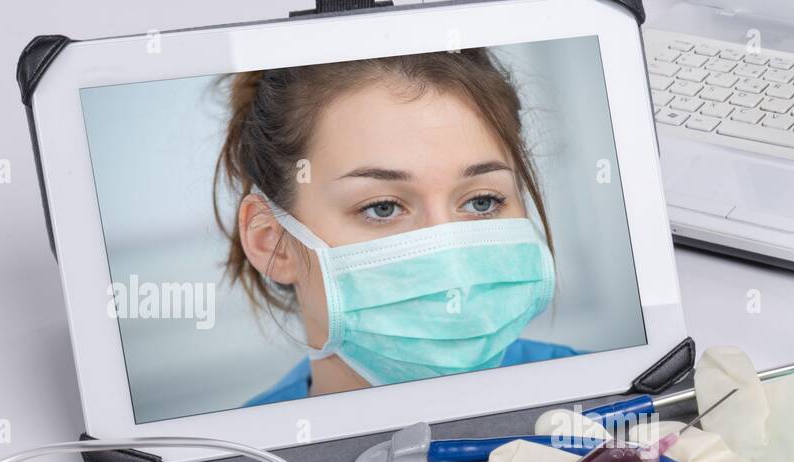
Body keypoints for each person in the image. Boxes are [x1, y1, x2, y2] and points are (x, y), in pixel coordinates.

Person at [213, 49, 574, 405]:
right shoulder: (234, 458)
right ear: (270, 240)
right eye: (382, 208)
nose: (451, 264)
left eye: (482, 202)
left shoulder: (608, 404)